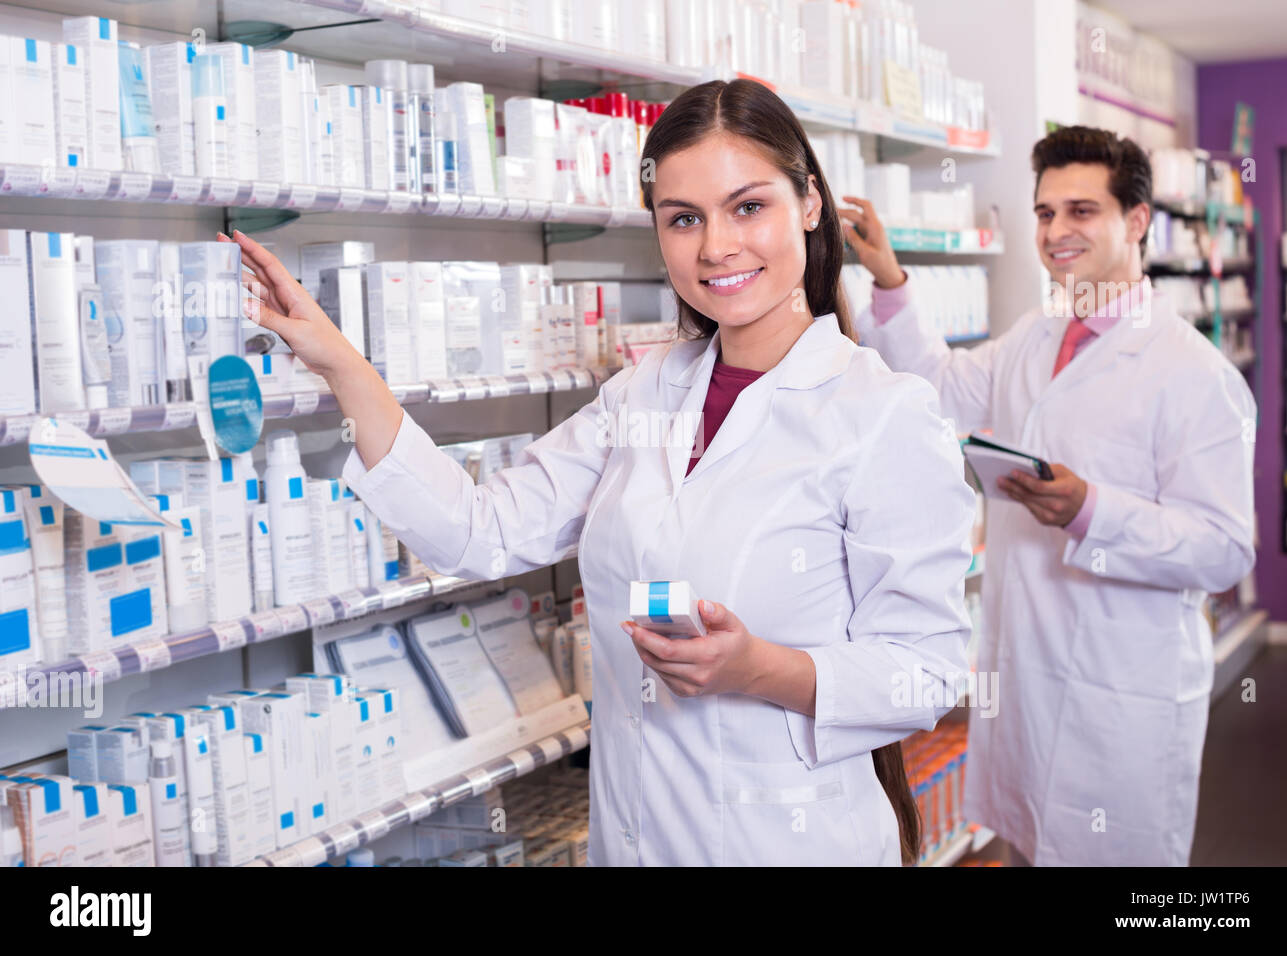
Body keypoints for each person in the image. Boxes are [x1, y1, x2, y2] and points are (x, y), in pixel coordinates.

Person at [224, 78, 975, 866]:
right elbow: (479, 532)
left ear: (810, 204)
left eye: (748, 206)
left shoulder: (884, 413)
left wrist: (763, 669)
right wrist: (342, 362)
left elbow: (925, 675)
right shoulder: (644, 392)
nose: (716, 246)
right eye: (684, 219)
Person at [840, 125, 1257, 866]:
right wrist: (890, 277)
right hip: (1026, 670)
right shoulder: (1037, 336)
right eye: (1044, 212)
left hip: (1124, 688)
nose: (1057, 232)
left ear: (1136, 221)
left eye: (1081, 211)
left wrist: (1093, 510)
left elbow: (1224, 549)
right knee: (1030, 847)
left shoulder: (1192, 372)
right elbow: (942, 392)